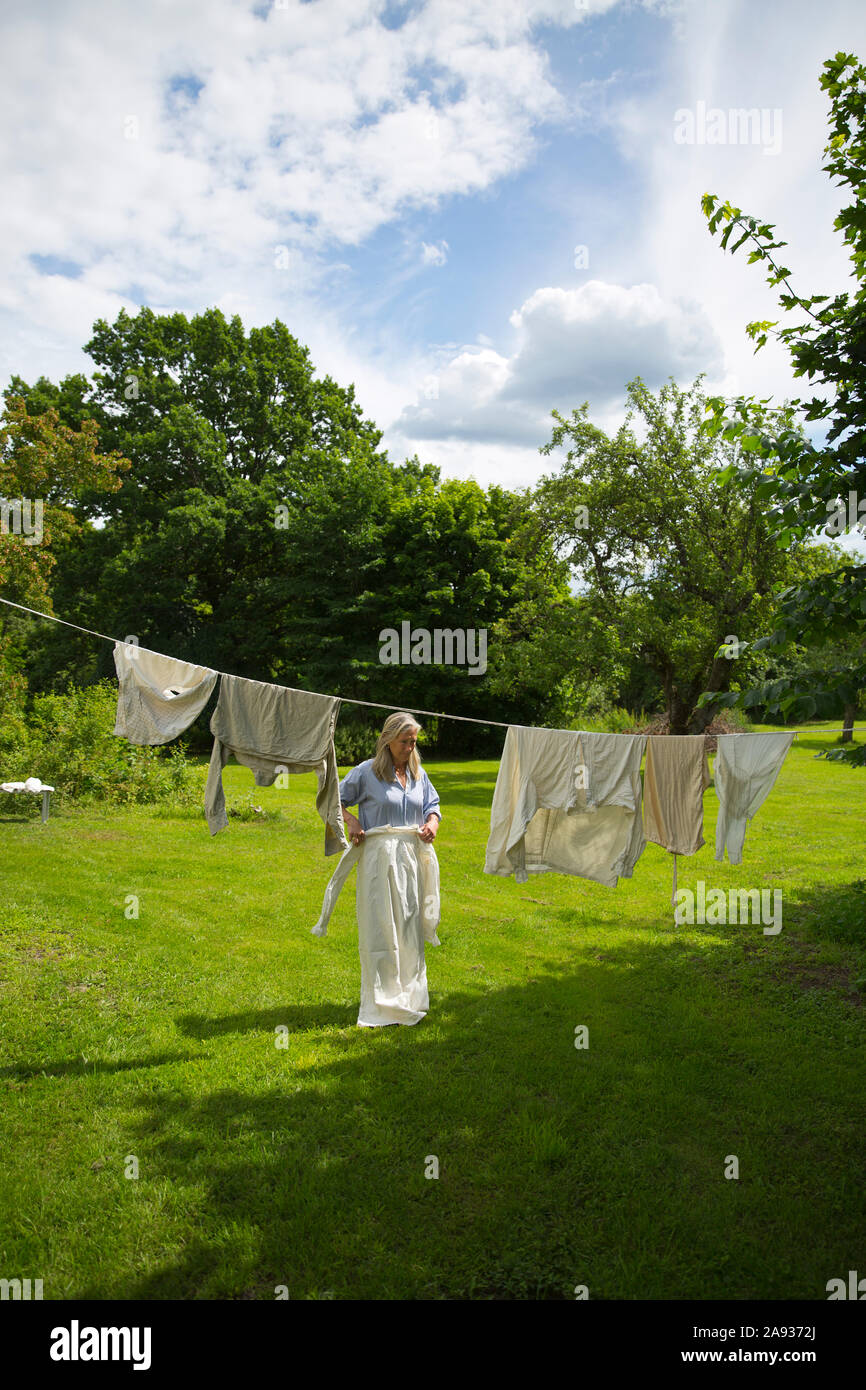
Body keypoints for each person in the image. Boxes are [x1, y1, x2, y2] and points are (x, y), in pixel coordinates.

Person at [337, 712, 442, 1027]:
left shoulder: (418, 773)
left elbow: (432, 805)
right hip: (379, 860)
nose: (409, 748)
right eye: (404, 742)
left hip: (411, 859)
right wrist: (352, 820)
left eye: (413, 742)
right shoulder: (366, 773)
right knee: (382, 927)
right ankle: (383, 1003)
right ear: (387, 740)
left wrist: (432, 823)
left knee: (409, 928)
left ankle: (410, 998)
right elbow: (332, 800)